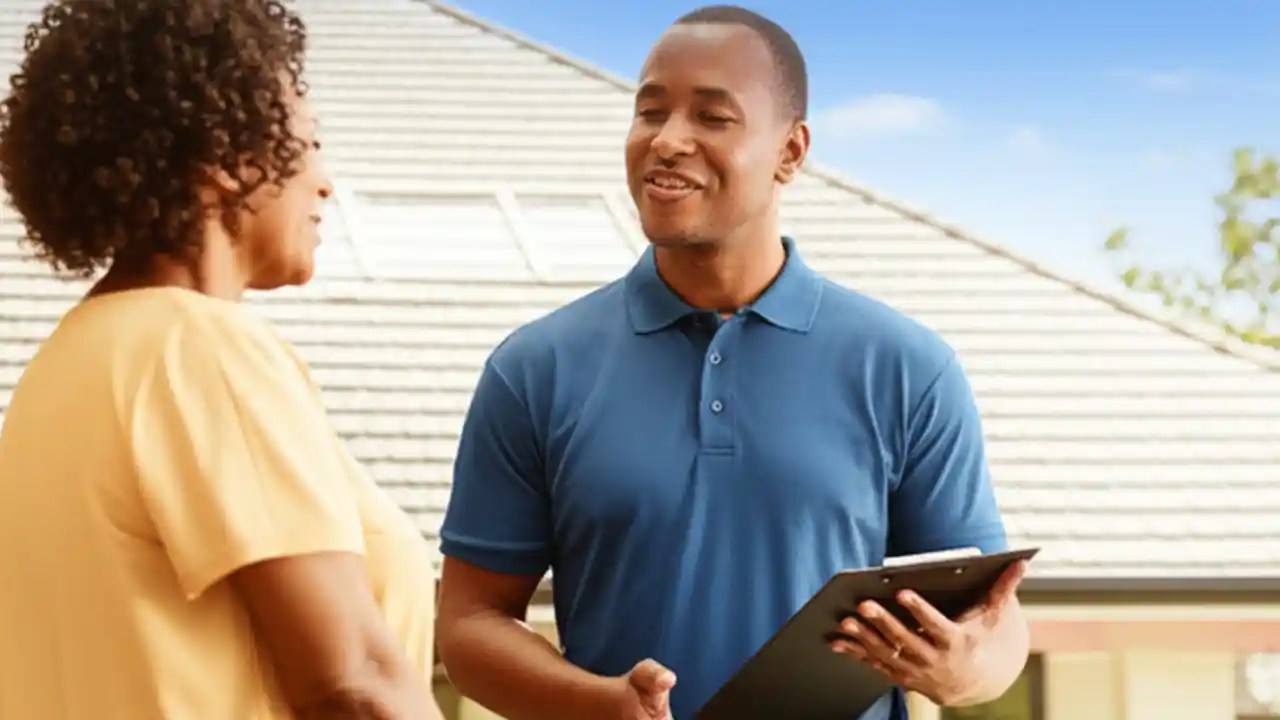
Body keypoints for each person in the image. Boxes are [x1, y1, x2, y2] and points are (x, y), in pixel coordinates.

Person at [435, 5, 1031, 720]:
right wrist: (600, 706)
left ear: (791, 151)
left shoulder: (907, 368)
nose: (668, 140)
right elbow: (469, 623)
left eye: (712, 118)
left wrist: (962, 670)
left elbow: (992, 624)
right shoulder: (534, 370)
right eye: (650, 111)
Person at [0, 2, 444, 718]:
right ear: (221, 159)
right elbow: (354, 680)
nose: (324, 181)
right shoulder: (197, 349)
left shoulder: (63, 370)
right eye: (310, 142)